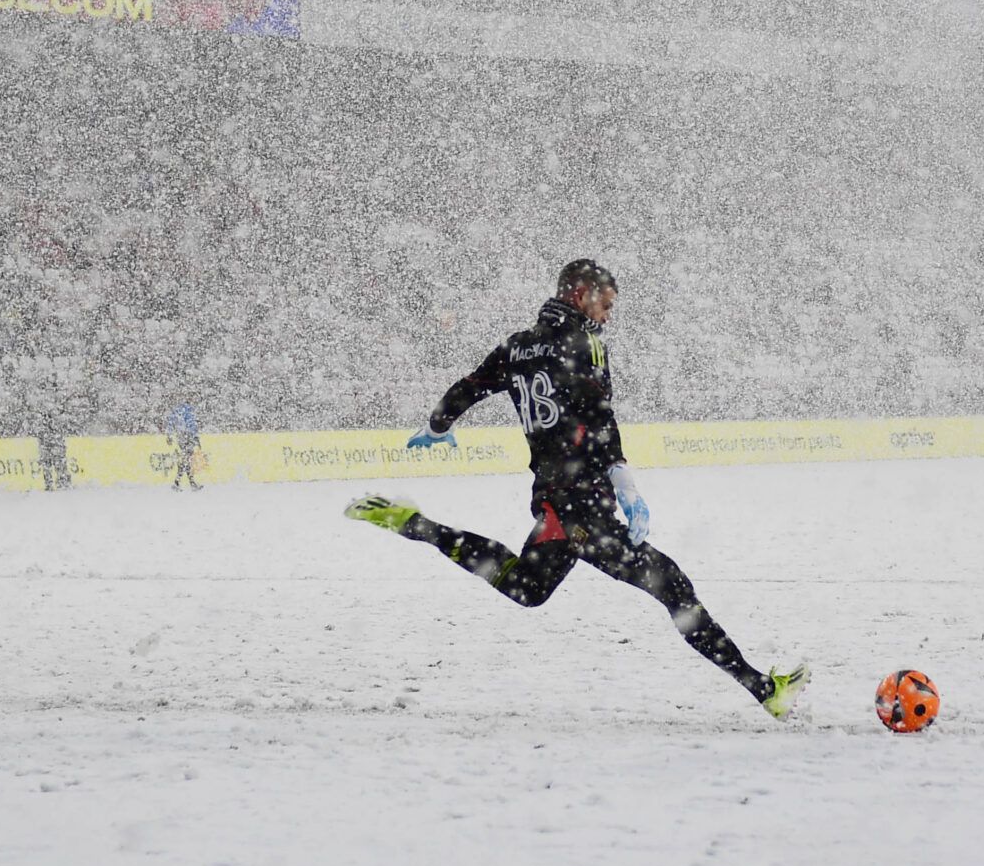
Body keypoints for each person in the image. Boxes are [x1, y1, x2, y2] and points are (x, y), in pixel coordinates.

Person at [345, 258, 809, 719]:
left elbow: (470, 386)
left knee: (526, 587)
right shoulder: (583, 343)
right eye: (605, 304)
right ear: (580, 294)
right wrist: (625, 484)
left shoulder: (517, 347)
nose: (608, 315)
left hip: (553, 500)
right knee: (672, 588)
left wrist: (439, 423)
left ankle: (414, 523)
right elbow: (598, 417)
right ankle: (765, 691)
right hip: (581, 504)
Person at [165, 400, 201, 491]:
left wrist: (169, 434)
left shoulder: (176, 410)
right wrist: (195, 437)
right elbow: (192, 424)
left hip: (180, 436)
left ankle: (185, 482)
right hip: (188, 436)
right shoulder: (189, 411)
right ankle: (181, 482)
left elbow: (171, 422)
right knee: (187, 459)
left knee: (186, 459)